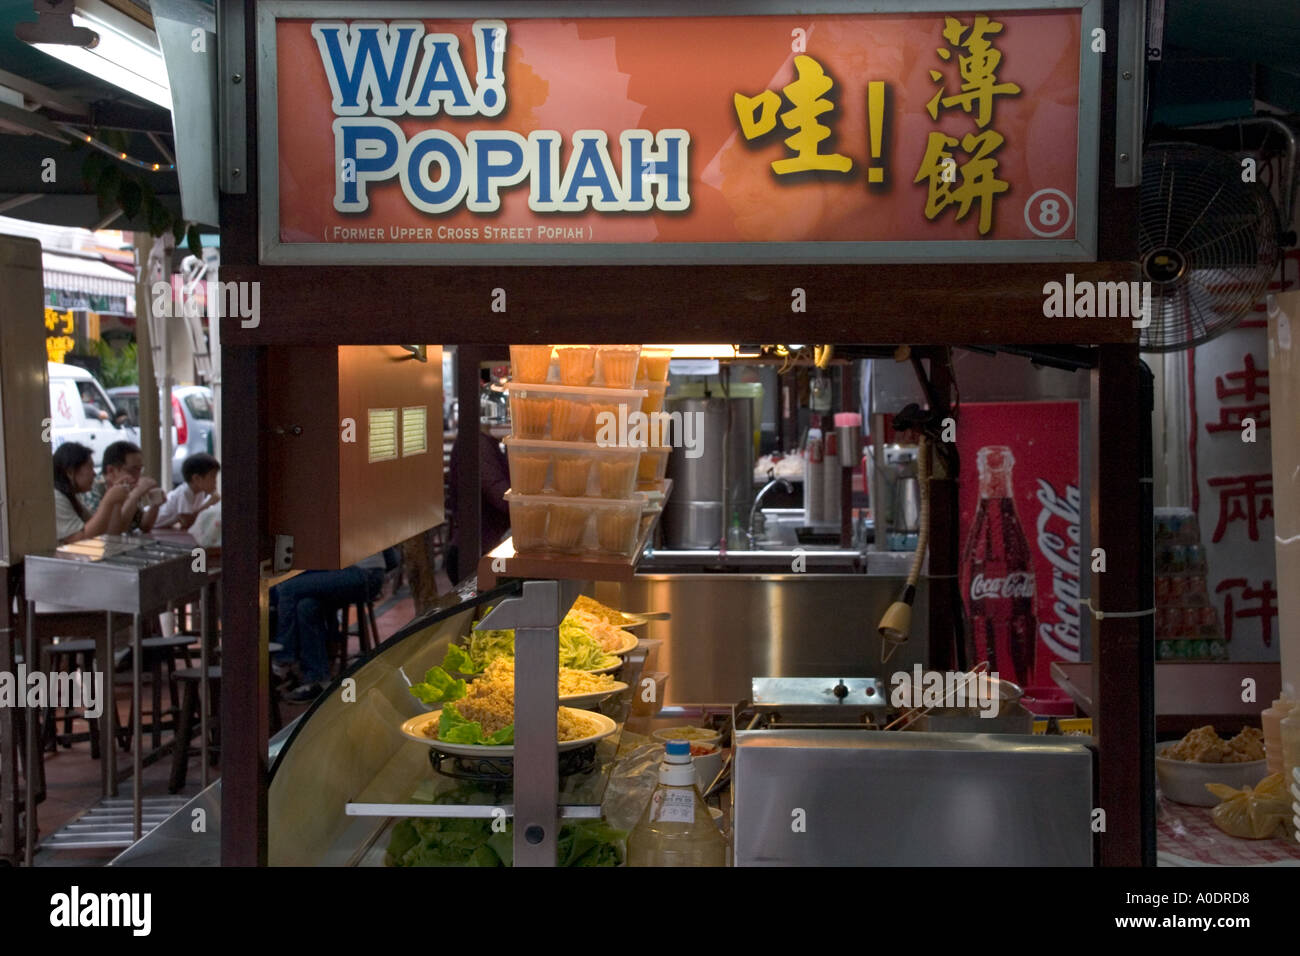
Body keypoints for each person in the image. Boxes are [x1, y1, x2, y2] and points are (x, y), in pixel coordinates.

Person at [271, 548, 400, 701]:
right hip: (367, 573)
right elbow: (392, 559)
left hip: (359, 572)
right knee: (306, 606)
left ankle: (283, 660)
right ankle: (317, 680)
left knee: (286, 588)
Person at [445, 428, 510, 582]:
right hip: (476, 554)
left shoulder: (484, 443)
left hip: (479, 550)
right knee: (485, 605)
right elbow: (502, 498)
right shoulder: (478, 445)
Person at [52, 442, 130, 544]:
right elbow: (80, 539)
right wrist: (108, 501)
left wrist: (116, 501)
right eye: (90, 467)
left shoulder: (73, 496)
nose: (94, 473)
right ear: (70, 472)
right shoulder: (57, 498)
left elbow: (110, 533)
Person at [81, 440, 161, 534]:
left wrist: (155, 505)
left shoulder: (127, 485)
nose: (138, 476)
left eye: (140, 469)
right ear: (111, 470)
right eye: (133, 470)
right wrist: (134, 496)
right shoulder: (93, 488)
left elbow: (143, 526)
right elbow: (114, 531)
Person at [155, 453, 221, 530]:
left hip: (164, 527)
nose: (215, 481)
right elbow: (187, 522)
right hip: (153, 524)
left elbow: (195, 517)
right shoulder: (184, 492)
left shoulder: (200, 493)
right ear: (196, 478)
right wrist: (209, 503)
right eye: (212, 476)